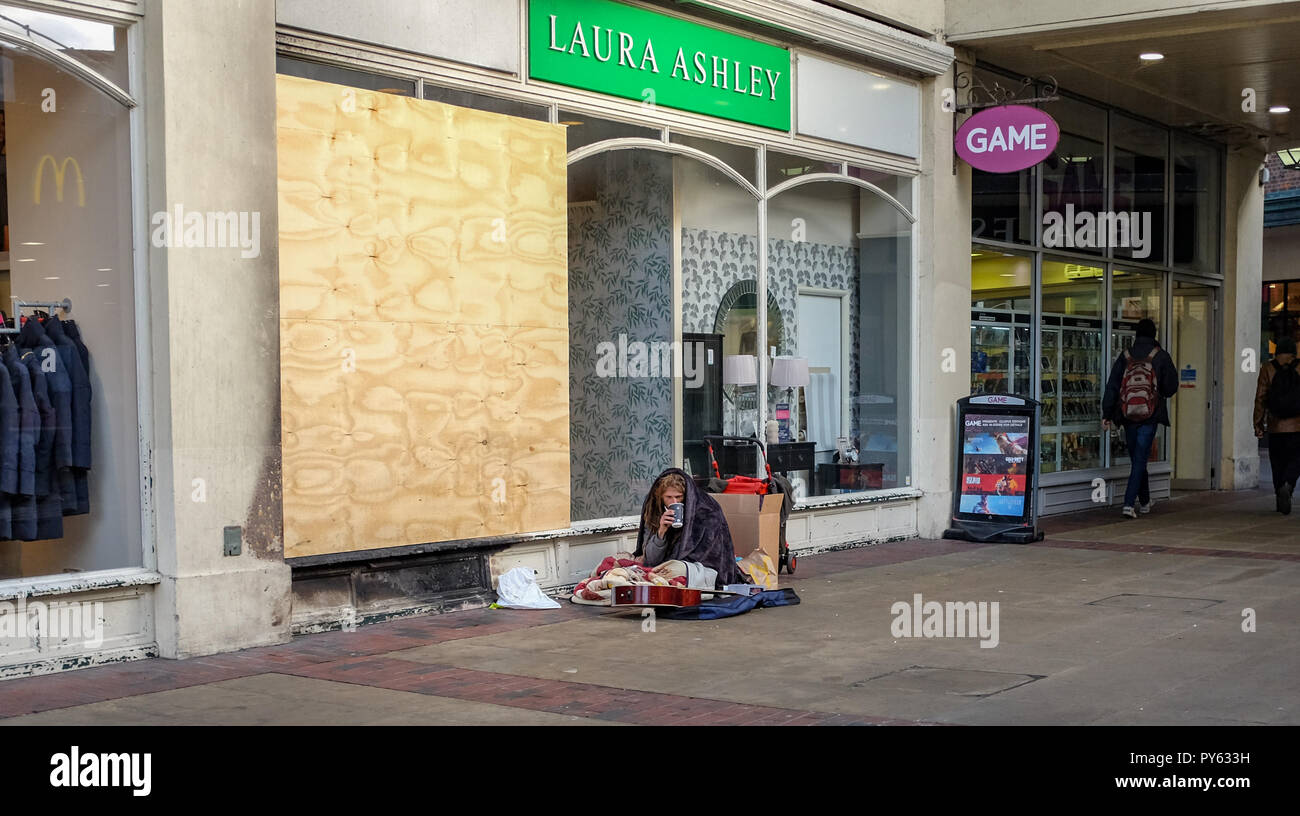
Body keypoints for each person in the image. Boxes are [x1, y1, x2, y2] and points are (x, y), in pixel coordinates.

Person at [1101, 318, 1178, 519]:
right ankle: (1128, 504)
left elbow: (1112, 385)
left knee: (1138, 458)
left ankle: (1144, 501)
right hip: (1149, 415)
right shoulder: (1160, 356)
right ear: (1154, 334)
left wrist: (1107, 413)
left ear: (1136, 334)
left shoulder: (1126, 356)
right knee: (1140, 459)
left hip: (1128, 415)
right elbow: (1171, 387)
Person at [632, 469, 749, 587]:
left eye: (678, 497)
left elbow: (713, 556)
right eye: (669, 497)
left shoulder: (706, 510)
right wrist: (661, 532)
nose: (674, 501)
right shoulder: (654, 511)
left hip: (698, 569)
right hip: (665, 567)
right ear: (661, 497)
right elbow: (651, 560)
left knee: (673, 572)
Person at [1254, 335, 1300, 514]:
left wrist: (1258, 423)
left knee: (1277, 463)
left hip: (1276, 425)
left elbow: (1260, 398)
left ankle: (1280, 494)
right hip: (1297, 425)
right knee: (1296, 460)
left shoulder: (1268, 368)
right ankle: (1288, 485)